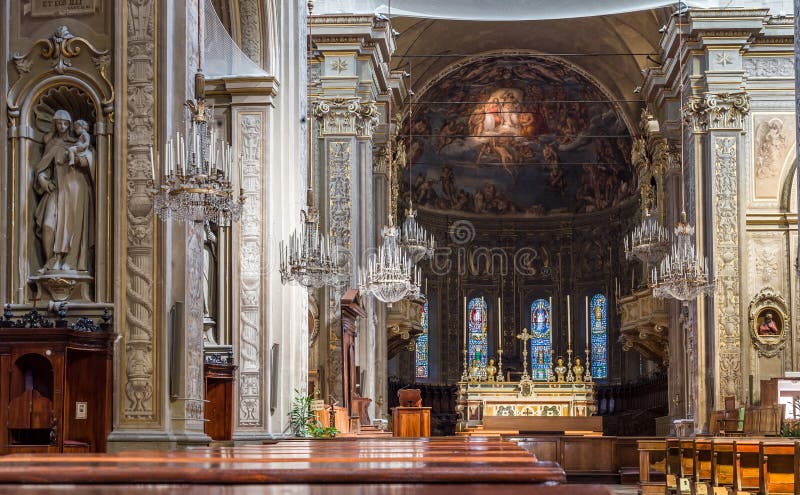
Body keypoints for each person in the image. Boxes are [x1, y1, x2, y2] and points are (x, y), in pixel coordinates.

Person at [34, 110, 93, 273]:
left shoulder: (76, 141)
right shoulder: (52, 144)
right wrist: (42, 179)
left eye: (65, 123)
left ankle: (69, 261)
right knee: (47, 225)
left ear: (70, 125)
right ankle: (50, 262)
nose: (62, 126)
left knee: (71, 226)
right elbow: (41, 167)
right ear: (54, 124)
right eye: (59, 123)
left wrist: (80, 159)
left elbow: (90, 157)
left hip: (74, 187)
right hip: (57, 188)